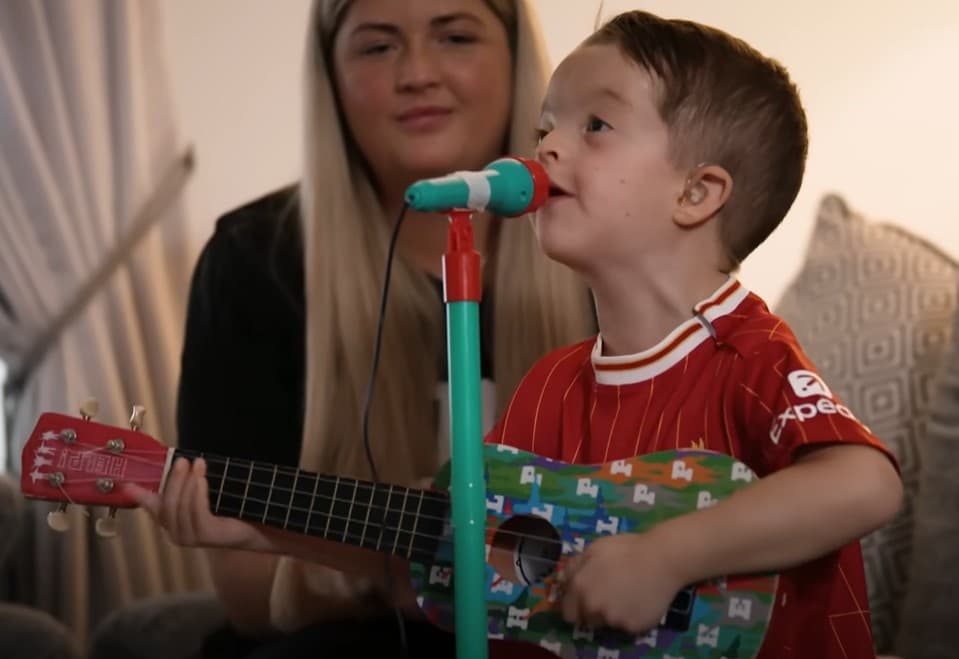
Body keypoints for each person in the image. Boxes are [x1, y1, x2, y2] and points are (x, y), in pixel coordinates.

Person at [134, 7, 905, 659]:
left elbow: (863, 481)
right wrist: (261, 531)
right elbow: (466, 544)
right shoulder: (552, 386)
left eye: (594, 125)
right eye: (546, 126)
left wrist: (666, 556)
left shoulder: (746, 351)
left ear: (696, 193)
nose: (547, 148)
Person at [162, 0, 594, 657]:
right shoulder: (251, 261)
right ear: (330, 76)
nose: (417, 73)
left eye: (455, 37)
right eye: (376, 46)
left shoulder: (611, 250)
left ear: (515, 59)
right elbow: (245, 593)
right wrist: (374, 576)